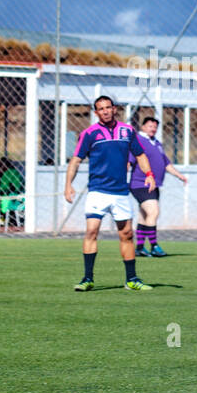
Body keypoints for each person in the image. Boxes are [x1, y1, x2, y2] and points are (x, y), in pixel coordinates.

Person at [64, 96, 156, 292]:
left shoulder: (127, 131)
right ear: (96, 113)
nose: (105, 111)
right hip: (97, 191)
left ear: (115, 109)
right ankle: (87, 278)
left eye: (108, 107)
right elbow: (76, 160)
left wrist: (149, 174)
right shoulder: (89, 134)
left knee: (127, 234)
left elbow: (140, 154)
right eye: (100, 109)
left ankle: (132, 279)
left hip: (121, 193)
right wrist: (68, 184)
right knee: (91, 231)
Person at [129, 117, 188, 257]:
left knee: (144, 216)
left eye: (155, 127)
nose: (153, 129)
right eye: (150, 126)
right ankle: (154, 246)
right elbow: (129, 161)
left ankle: (140, 248)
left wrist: (180, 175)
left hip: (154, 185)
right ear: (143, 127)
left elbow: (166, 164)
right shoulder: (138, 141)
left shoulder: (157, 143)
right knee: (153, 212)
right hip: (140, 184)